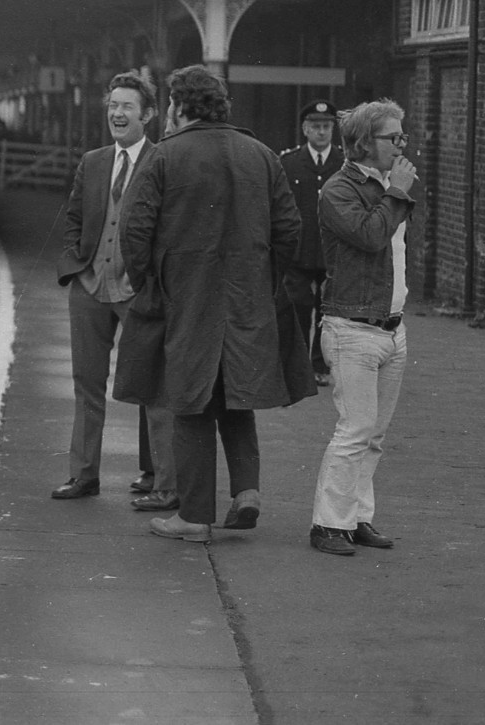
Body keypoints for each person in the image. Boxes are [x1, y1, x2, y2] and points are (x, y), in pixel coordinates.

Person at [119, 64, 315, 543]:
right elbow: (289, 229)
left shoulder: (163, 157)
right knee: (236, 396)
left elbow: (135, 229)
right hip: (247, 297)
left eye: (170, 103)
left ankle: (193, 517)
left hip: (187, 298)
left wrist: (150, 282)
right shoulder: (262, 155)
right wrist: (262, 279)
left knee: (189, 402)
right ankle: (247, 492)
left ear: (180, 107)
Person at [50, 71, 175, 508]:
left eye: (127, 107)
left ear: (149, 115)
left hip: (138, 291)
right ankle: (83, 475)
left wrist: (152, 281)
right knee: (86, 383)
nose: (117, 114)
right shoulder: (94, 161)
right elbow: (74, 218)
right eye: (113, 106)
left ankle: (163, 482)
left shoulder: (163, 161)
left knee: (153, 387)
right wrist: (75, 264)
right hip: (89, 287)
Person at [308, 100, 417, 556]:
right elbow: (370, 237)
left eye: (402, 135)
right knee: (355, 429)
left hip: (392, 327)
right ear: (364, 142)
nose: (401, 144)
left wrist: (396, 190)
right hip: (352, 327)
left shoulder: (390, 184)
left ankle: (356, 517)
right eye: (392, 137)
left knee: (374, 436)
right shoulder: (339, 189)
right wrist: (397, 192)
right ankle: (328, 524)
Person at [279, 100, 343, 387]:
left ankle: (320, 365)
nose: (321, 132)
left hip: (332, 250)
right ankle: (298, 367)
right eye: (315, 126)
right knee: (298, 307)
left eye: (326, 126)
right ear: (305, 129)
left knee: (327, 311)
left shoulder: (344, 163)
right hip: (299, 250)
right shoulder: (289, 162)